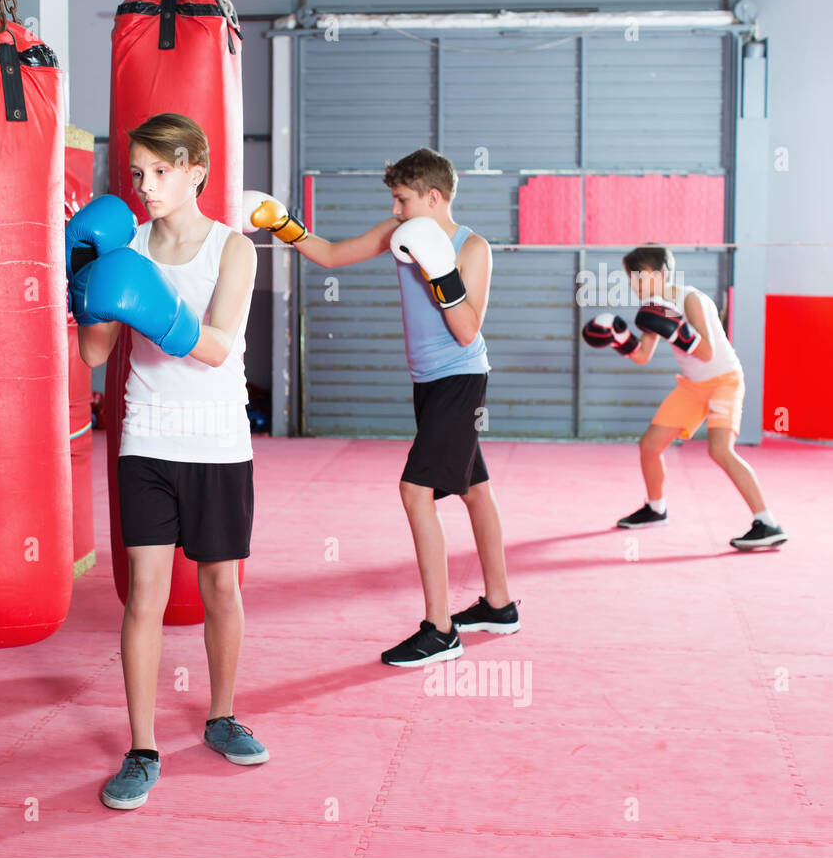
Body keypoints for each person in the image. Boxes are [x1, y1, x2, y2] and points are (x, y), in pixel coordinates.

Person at [247, 147, 520, 667]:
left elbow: (467, 331)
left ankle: (440, 630)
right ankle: (500, 605)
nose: (395, 212)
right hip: (428, 383)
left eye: (402, 201)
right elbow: (329, 254)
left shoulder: (473, 248)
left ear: (433, 198)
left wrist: (438, 270)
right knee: (476, 492)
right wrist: (283, 224)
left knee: (415, 490)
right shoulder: (397, 236)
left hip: (461, 379)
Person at [68, 113, 263, 810]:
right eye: (139, 174)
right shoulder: (127, 245)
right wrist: (85, 280)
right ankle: (143, 747)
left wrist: (150, 301)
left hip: (216, 440)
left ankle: (222, 715)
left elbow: (217, 347)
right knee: (144, 595)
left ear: (196, 170)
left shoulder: (234, 249)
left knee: (221, 590)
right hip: (146, 436)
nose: (146, 187)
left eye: (160, 172)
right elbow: (95, 355)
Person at [582, 245, 785, 549]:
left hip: (724, 382)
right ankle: (656, 508)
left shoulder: (691, 299)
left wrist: (675, 327)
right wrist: (619, 340)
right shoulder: (653, 307)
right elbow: (643, 357)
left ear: (661, 274)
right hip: (693, 386)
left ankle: (767, 523)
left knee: (720, 451)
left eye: (639, 278)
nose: (633, 285)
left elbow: (706, 352)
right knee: (650, 446)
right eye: (630, 279)